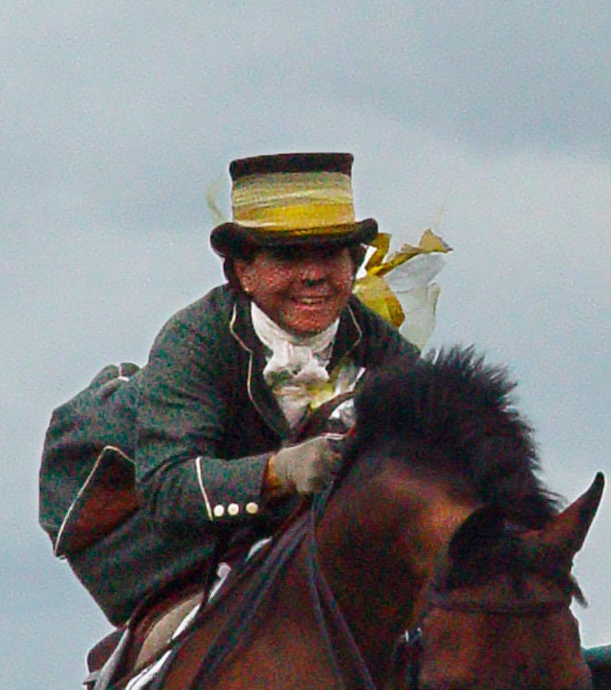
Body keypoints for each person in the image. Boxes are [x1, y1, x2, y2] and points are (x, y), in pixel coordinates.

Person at [41, 152, 425, 630]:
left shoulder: (391, 357)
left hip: (302, 552)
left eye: (330, 255)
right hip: (183, 553)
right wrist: (279, 472)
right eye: (288, 257)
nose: (313, 275)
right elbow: (167, 487)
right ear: (242, 272)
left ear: (353, 264)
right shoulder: (192, 340)